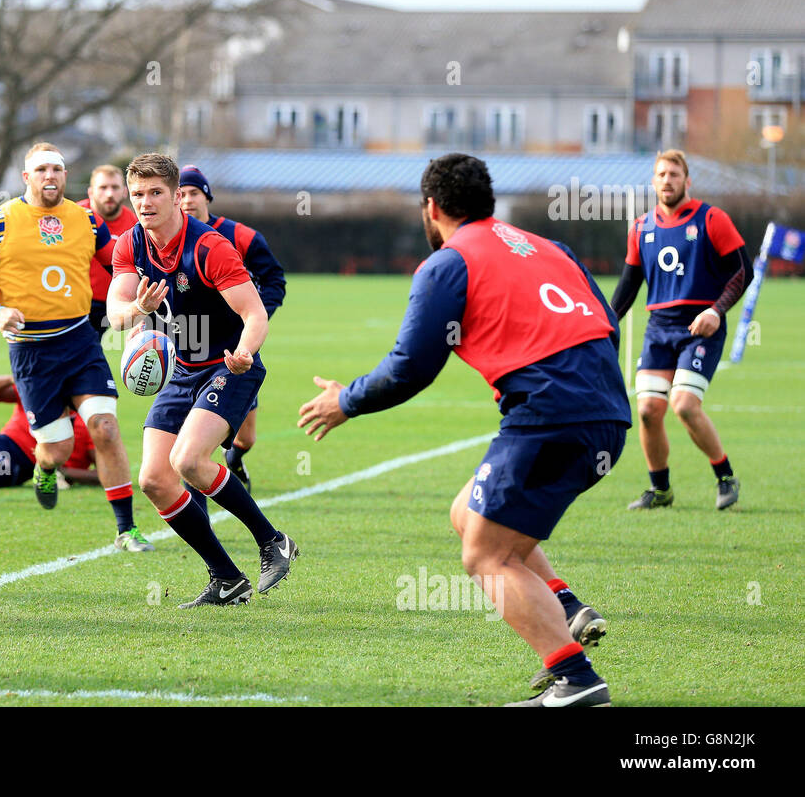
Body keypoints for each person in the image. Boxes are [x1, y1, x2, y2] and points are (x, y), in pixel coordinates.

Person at [298, 153, 630, 706]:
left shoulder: (448, 264)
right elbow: (607, 324)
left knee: (484, 556)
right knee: (467, 514)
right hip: (606, 412)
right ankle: (566, 607)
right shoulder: (552, 248)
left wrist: (345, 400)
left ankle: (576, 680)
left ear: (431, 208)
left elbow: (410, 368)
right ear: (488, 201)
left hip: (552, 417)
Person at [108, 153, 298, 605]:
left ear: (178, 197)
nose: (145, 203)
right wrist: (138, 310)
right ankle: (227, 578)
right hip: (181, 370)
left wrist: (245, 353)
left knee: (189, 461)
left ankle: (274, 541)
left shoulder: (209, 247)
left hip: (228, 366)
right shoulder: (129, 245)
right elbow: (116, 313)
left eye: (156, 193)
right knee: (154, 478)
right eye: (138, 195)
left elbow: (254, 314)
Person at [0, 142, 154, 552]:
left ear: (66, 177)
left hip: (80, 341)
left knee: (106, 427)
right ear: (26, 177)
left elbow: (121, 267)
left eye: (58, 170)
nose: (51, 176)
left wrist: (134, 305)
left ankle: (126, 529)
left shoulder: (86, 220)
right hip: (31, 353)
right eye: (42, 169)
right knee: (58, 448)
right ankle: (45, 469)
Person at [611, 149, 751, 511]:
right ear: (653, 182)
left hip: (701, 326)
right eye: (661, 174)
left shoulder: (711, 219)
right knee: (646, 411)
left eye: (674, 174)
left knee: (685, 405)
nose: (667, 180)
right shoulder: (641, 228)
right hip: (659, 329)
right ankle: (660, 490)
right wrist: (606, 325)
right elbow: (629, 285)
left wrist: (717, 310)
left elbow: (742, 271)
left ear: (687, 181)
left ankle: (725, 476)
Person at [178, 164, 286, 492]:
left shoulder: (241, 236)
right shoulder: (171, 239)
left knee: (246, 435)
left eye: (193, 193)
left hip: (236, 344)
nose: (186, 200)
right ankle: (195, 474)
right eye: (179, 194)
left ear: (207, 195)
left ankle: (233, 460)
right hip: (191, 344)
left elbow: (274, 280)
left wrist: (254, 316)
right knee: (192, 429)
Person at [79, 164, 137, 335]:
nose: (109, 194)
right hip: (79, 303)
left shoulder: (135, 225)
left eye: (115, 187)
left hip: (116, 303)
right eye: (103, 188)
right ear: (91, 192)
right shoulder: (76, 216)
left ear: (125, 191)